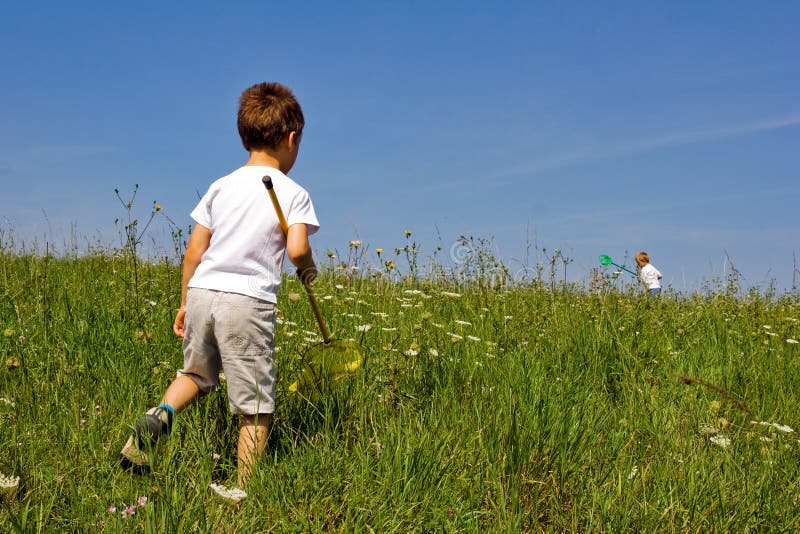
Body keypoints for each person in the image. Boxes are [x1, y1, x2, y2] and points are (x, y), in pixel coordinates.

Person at [120, 82, 319, 501]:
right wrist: (307, 268)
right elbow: (297, 247)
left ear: (244, 135)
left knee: (195, 374)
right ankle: (243, 488)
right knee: (256, 404)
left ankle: (161, 413)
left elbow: (194, 251)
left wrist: (183, 302)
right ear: (292, 139)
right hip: (246, 301)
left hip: (203, 293)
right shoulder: (293, 193)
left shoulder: (221, 185)